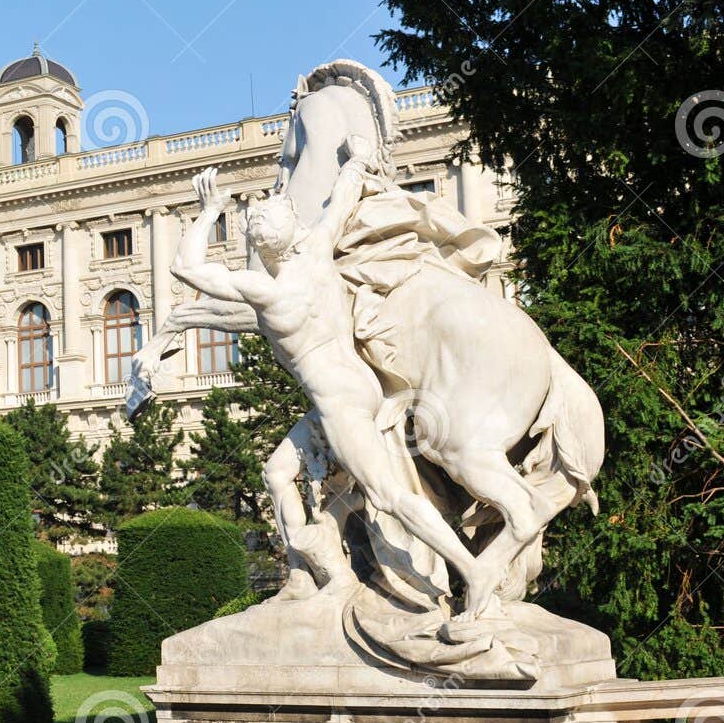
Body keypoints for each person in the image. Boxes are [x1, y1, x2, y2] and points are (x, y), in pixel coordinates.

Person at [173, 142, 495, 619]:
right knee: (277, 472)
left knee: (389, 496)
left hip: (339, 405)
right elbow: (343, 195)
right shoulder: (320, 250)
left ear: (262, 246)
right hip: (361, 385)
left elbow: (185, 268)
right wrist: (356, 161)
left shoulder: (267, 291)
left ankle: (473, 571)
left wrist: (208, 211)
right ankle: (310, 573)